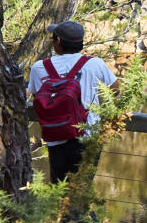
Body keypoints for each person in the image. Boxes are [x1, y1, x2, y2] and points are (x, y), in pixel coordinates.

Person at [26, 20, 118, 185]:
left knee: (59, 187)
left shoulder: (39, 67)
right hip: (88, 134)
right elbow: (116, 90)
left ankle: (63, 211)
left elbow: (35, 96)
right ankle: (77, 212)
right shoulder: (95, 64)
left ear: (58, 42)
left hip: (56, 135)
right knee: (81, 188)